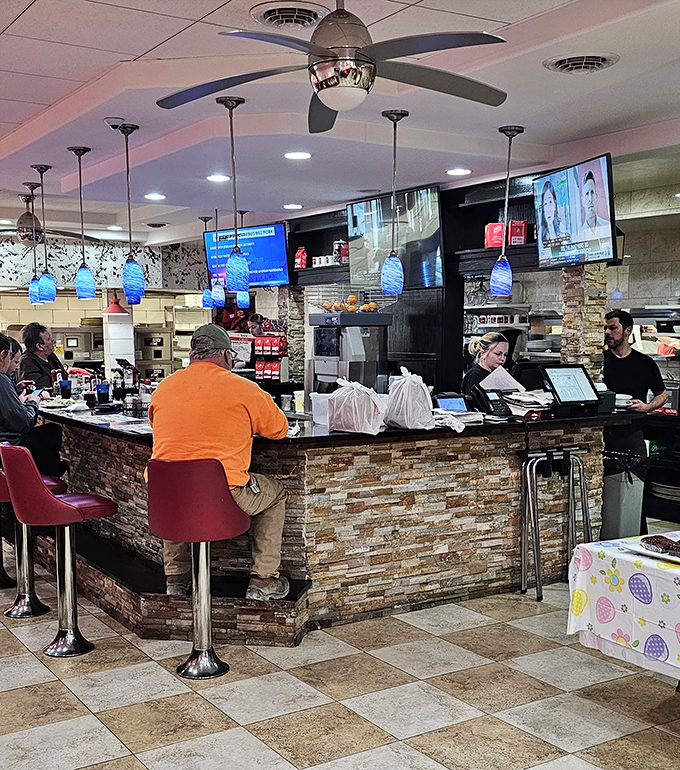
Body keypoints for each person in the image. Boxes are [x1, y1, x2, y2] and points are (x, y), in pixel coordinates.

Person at [148, 323, 290, 600]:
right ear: (227, 356)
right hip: (225, 498)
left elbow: (154, 423)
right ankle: (263, 580)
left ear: (192, 356)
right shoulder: (244, 388)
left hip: (165, 497)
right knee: (277, 494)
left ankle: (176, 580)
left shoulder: (163, 388)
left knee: (176, 484)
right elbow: (279, 430)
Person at [601, 309, 667, 539]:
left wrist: (647, 407)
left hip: (632, 434)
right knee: (602, 497)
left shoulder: (644, 363)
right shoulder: (600, 361)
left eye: (613, 328)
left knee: (632, 494)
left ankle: (636, 542)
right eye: (605, 328)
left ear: (627, 331)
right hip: (602, 434)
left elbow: (662, 394)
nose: (608, 333)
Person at [0, 333, 67, 477]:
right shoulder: (2, 379)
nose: (15, 367)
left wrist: (16, 393)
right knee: (51, 432)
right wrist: (33, 402)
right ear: (3, 355)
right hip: (9, 452)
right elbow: (23, 422)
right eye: (11, 358)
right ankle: (44, 484)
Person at [19, 322, 68, 390]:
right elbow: (40, 384)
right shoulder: (27, 362)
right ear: (39, 346)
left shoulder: (51, 356)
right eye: (48, 339)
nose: (52, 340)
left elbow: (64, 375)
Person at [578, 171, 610, 241]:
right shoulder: (578, 237)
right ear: (583, 201)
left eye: (592, 192)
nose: (590, 199)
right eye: (587, 194)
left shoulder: (608, 227)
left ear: (596, 197)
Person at [540, 179, 567, 244]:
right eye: (545, 204)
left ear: (555, 205)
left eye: (550, 202)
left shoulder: (561, 229)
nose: (548, 209)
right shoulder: (541, 234)